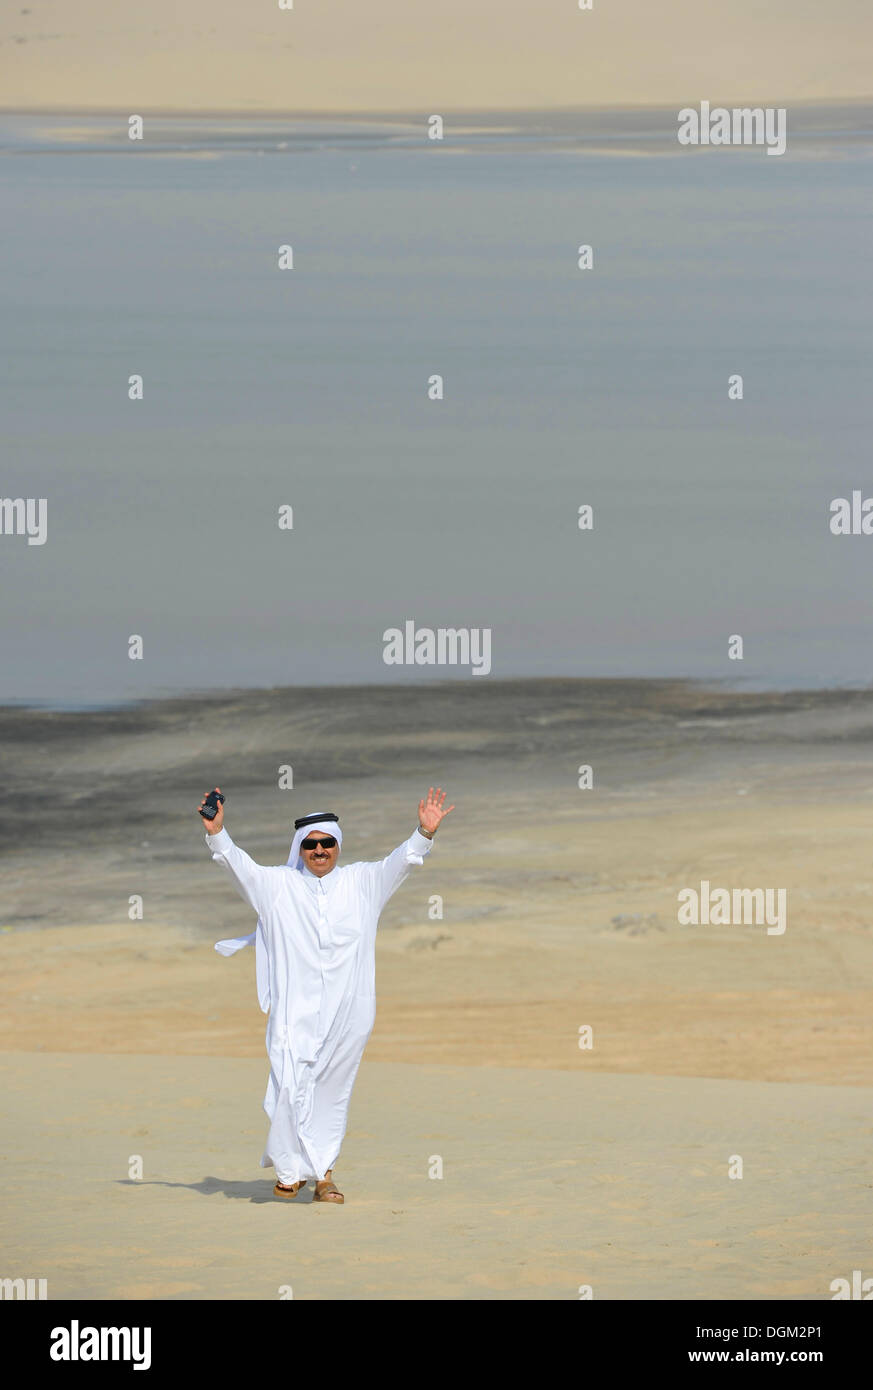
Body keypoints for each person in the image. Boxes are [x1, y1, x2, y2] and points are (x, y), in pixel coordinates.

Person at [198, 785, 454, 1203]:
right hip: (292, 1011)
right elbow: (235, 865)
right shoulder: (276, 886)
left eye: (327, 843)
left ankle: (323, 1177)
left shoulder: (362, 882)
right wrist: (216, 832)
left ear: (338, 845)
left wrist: (424, 833)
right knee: (288, 1083)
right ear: (300, 848)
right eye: (311, 844)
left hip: (348, 1012)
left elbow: (400, 863)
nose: (319, 850)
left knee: (331, 1092)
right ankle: (290, 1168)